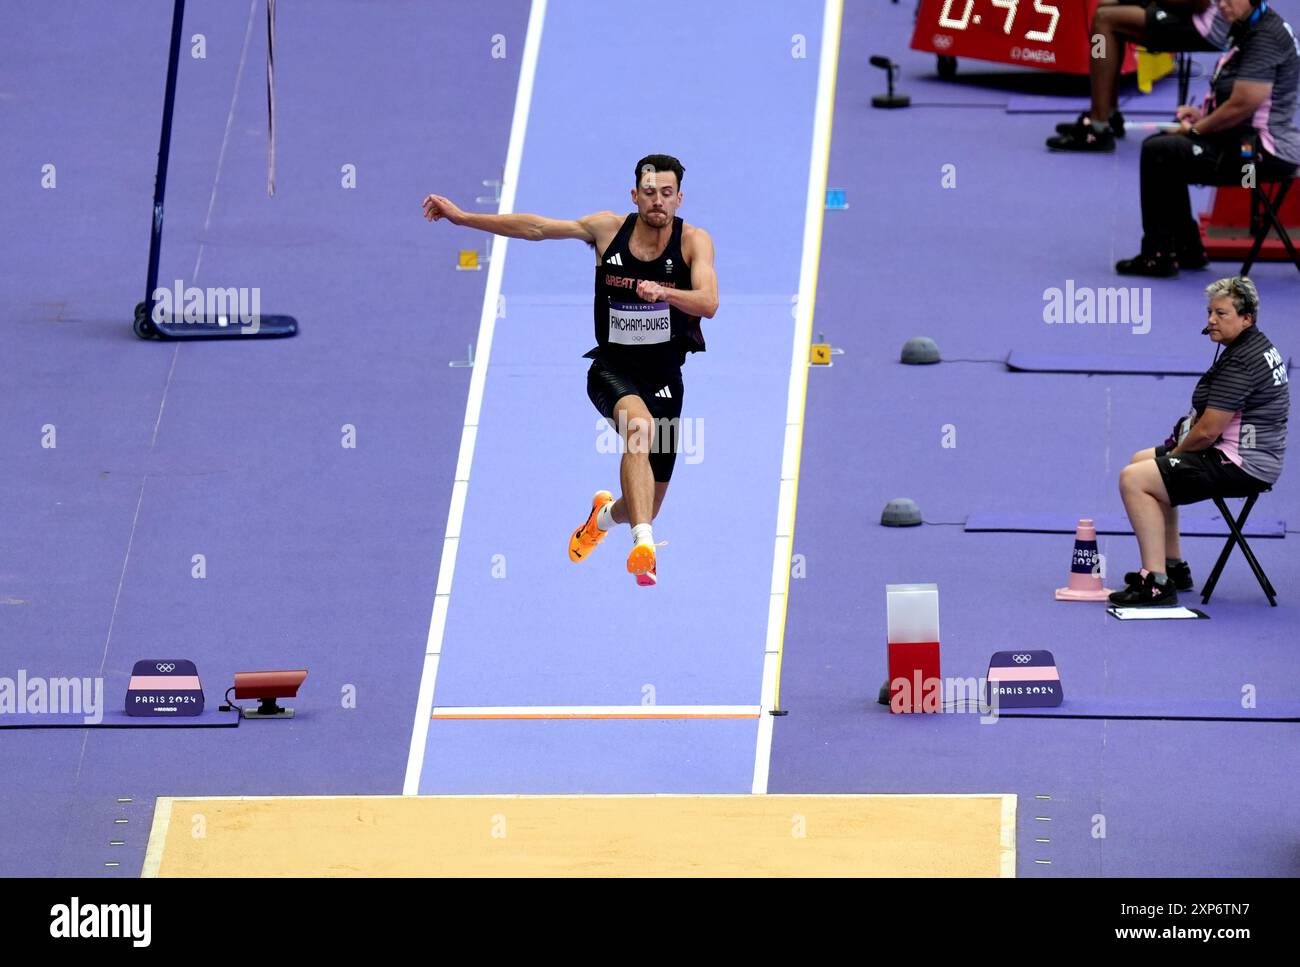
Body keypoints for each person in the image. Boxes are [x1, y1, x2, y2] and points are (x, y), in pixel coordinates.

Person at [422, 154, 718, 587]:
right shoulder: (606, 230)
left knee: (647, 505)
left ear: (679, 197)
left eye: (667, 194)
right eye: (650, 193)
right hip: (611, 369)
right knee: (639, 427)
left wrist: (667, 293)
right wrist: (464, 218)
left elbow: (709, 303)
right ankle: (644, 547)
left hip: (666, 381)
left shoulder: (693, 242)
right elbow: (536, 228)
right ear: (635, 195)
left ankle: (600, 520)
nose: (658, 201)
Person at [1110, 277, 1288, 606]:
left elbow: (1207, 431)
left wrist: (1174, 456)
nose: (1211, 320)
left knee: (1134, 479)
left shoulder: (1241, 363)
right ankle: (1174, 565)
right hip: (1246, 452)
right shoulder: (1255, 345)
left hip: (1240, 463)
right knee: (1140, 460)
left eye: (1221, 313)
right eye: (1209, 312)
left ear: (1247, 318)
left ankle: (1156, 584)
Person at [1116, 0, 1300, 276]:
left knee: (1160, 151)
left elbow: (1242, 105)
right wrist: (1202, 112)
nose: (1221, 5)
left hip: (1259, 151)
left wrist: (1196, 130)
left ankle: (1159, 255)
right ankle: (1187, 250)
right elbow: (1234, 96)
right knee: (1167, 150)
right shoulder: (1245, 25)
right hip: (1245, 137)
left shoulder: (1266, 37)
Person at [1047, 0, 1230, 152]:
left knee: (1104, 20)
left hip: (1207, 25)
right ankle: (1108, 114)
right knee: (1106, 9)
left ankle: (1097, 128)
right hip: (1197, 15)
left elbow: (1199, 3)